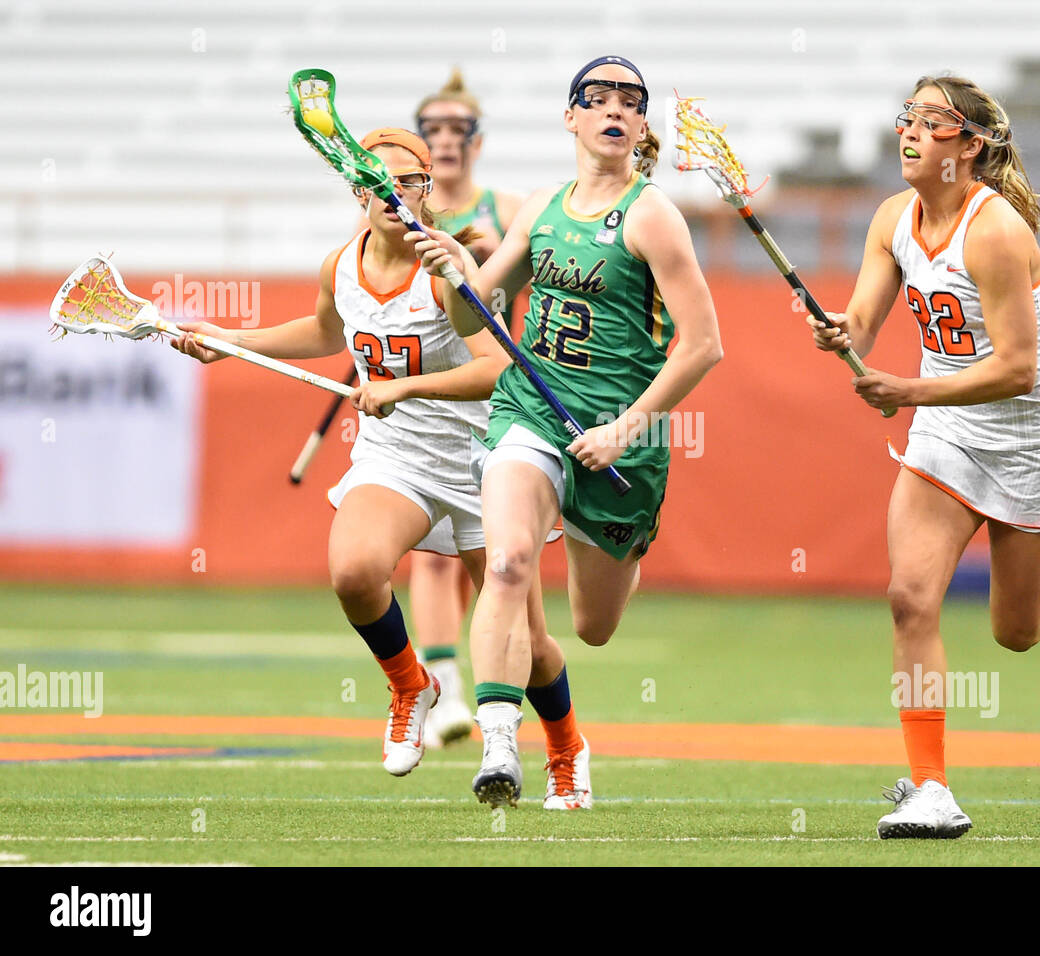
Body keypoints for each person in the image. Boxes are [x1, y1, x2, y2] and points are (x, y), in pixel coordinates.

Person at [169, 129, 577, 801]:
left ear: (428, 191)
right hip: (397, 458)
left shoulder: (453, 269)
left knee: (528, 645)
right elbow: (329, 331)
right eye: (380, 181)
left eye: (411, 181)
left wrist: (402, 386)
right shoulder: (340, 265)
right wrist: (232, 342)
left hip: (485, 461)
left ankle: (565, 748)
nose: (396, 192)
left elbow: (500, 372)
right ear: (358, 191)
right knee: (355, 572)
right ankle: (410, 684)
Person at [809, 75, 1040, 839]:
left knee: (1016, 633)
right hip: (948, 429)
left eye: (928, 120)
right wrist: (838, 333)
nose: (908, 132)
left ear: (969, 145)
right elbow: (861, 321)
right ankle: (932, 788)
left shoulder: (998, 233)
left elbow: (1017, 368)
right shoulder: (893, 218)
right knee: (910, 597)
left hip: (1031, 431)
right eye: (906, 117)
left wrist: (909, 390)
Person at [409, 55, 723, 809]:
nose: (613, 109)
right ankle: (499, 744)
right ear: (571, 116)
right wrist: (464, 270)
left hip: (622, 441)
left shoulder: (652, 215)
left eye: (629, 101)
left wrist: (625, 429)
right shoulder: (543, 204)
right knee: (510, 564)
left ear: (641, 124)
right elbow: (466, 319)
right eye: (597, 98)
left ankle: (569, 737)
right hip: (532, 410)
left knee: (592, 625)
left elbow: (704, 343)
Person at [408, 68, 528, 750]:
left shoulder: (507, 210)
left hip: (492, 392)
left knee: (489, 555)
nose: (446, 140)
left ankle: (513, 701)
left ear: (476, 142)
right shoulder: (399, 214)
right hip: (429, 395)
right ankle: (445, 688)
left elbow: (543, 286)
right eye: (433, 129)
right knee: (429, 551)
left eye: (459, 129)